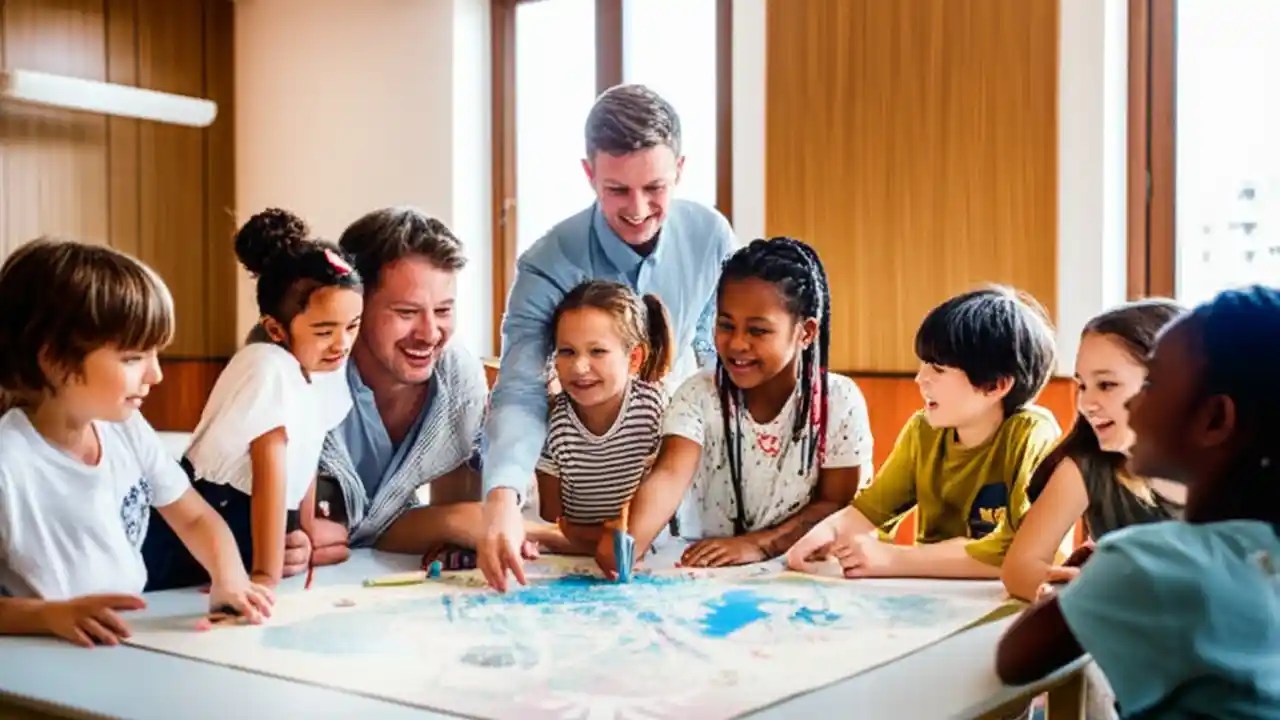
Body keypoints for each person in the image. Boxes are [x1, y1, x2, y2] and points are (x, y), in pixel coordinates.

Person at [478, 83, 738, 591]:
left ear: (680, 170)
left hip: (682, 469)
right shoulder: (546, 263)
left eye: (655, 188)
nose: (637, 208)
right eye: (617, 189)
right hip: (585, 492)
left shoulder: (712, 236)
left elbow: (718, 364)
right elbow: (520, 387)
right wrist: (503, 498)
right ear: (589, 173)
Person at [997, 285, 1280, 719]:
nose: (1134, 403)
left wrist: (1096, 576)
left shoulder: (1147, 563)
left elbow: (1014, 660)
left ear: (1216, 419)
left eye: (1152, 383)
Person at [0, 238, 272, 647]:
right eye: (132, 358)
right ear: (53, 359)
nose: (156, 375)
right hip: (39, 649)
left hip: (120, 640)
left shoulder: (127, 430)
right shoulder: (9, 460)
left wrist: (230, 580)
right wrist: (49, 616)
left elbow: (196, 518)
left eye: (155, 354)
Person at [597, 237, 873, 576]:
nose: (737, 343)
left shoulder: (838, 402)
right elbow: (670, 474)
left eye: (758, 330)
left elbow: (836, 504)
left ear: (806, 332)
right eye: (725, 324)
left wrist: (759, 544)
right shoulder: (699, 394)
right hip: (713, 575)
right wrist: (629, 540)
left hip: (802, 573)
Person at [142, 209, 364, 589]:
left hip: (252, 526)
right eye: (325, 331)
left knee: (337, 550)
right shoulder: (268, 366)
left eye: (352, 326)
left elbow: (306, 458)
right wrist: (265, 576)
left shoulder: (324, 371)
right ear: (276, 329)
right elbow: (270, 474)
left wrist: (307, 529)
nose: (342, 344)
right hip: (205, 517)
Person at [785, 286, 1060, 579]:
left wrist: (895, 560)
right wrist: (825, 535)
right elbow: (870, 511)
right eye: (924, 364)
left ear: (995, 386)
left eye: (938, 369)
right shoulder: (923, 431)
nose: (920, 379)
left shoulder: (1031, 435)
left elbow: (1027, 550)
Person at [1001, 299, 1186, 603]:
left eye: (1107, 384)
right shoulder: (1087, 467)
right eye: (1082, 386)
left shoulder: (1238, 468)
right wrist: (1062, 587)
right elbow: (1019, 567)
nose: (1086, 403)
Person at [536, 280, 672, 553]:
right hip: (573, 554)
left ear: (634, 359)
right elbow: (553, 523)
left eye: (597, 351)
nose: (579, 366)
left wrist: (626, 535)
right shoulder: (552, 422)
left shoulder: (654, 409)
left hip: (645, 551)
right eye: (567, 351)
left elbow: (662, 512)